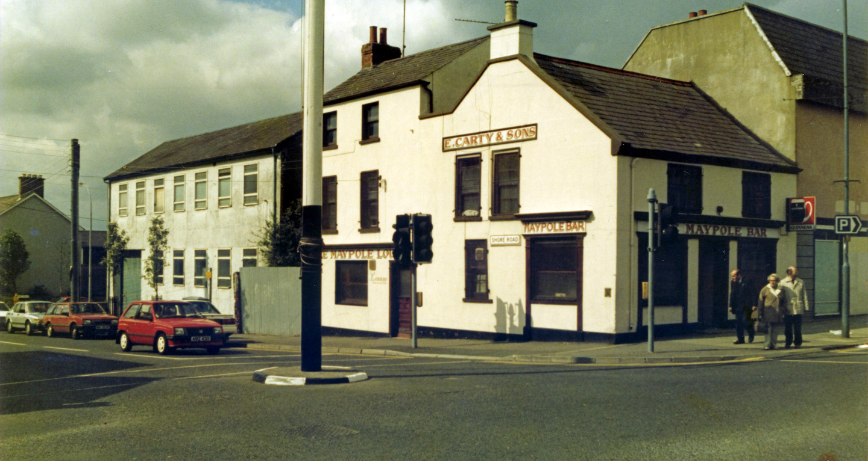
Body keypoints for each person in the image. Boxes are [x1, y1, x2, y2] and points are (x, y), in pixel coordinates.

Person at [756, 273, 789, 350]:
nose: (772, 282)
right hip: (768, 312)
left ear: (777, 281)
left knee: (775, 330)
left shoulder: (781, 290)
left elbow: (785, 301)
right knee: (768, 329)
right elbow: (760, 302)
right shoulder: (765, 289)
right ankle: (767, 344)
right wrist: (760, 313)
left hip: (778, 312)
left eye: (774, 280)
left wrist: (783, 310)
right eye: (771, 280)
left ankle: (774, 344)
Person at [781, 266, 810, 349]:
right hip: (788, 308)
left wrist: (806, 307)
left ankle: (798, 343)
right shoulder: (783, 283)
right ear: (790, 273)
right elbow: (781, 296)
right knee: (788, 328)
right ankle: (788, 342)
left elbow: (804, 295)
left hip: (798, 307)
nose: (797, 273)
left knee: (798, 327)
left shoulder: (801, 282)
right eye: (795, 271)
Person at [728, 269, 755, 344]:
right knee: (738, 322)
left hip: (747, 305)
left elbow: (753, 293)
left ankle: (751, 333)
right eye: (732, 276)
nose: (733, 278)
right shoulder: (733, 283)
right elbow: (732, 294)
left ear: (739, 275)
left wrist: (754, 304)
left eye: (734, 276)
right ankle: (740, 339)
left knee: (746, 321)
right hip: (738, 305)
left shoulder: (747, 281)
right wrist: (730, 305)